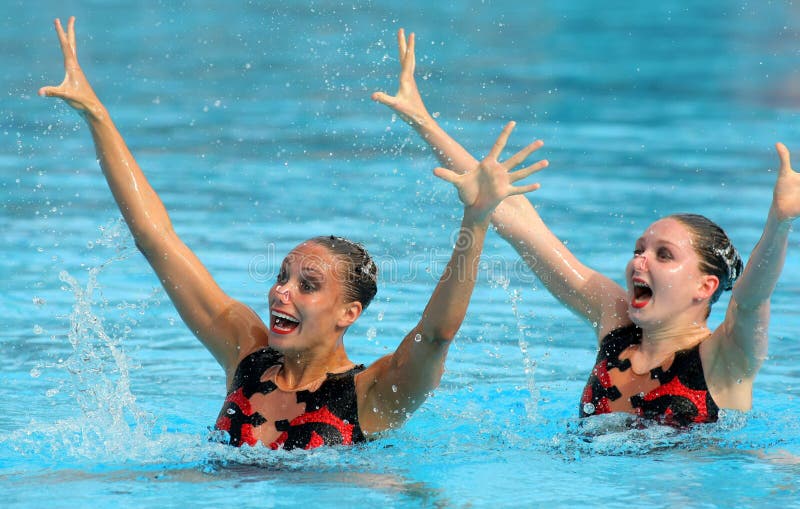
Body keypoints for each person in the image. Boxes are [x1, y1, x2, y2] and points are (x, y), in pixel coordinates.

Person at [39, 18, 547, 449]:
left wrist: (475, 221)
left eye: (307, 284)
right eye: (284, 276)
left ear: (349, 313)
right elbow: (158, 241)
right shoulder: (246, 353)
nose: (281, 290)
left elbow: (437, 333)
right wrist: (97, 116)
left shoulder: (374, 393)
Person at [373, 29, 800, 426]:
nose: (639, 260)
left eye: (663, 254)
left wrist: (779, 223)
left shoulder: (725, 357)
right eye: (639, 249)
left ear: (706, 287)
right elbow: (522, 223)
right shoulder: (615, 323)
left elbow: (750, 298)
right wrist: (424, 122)